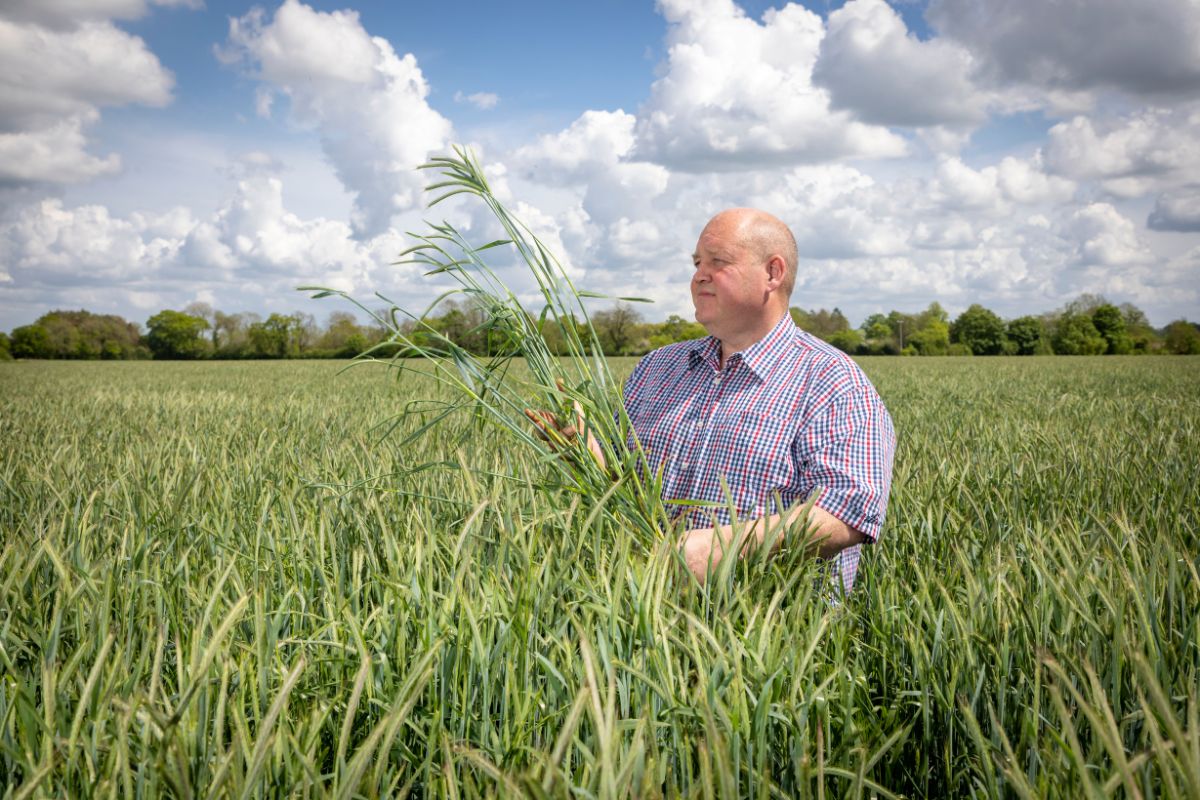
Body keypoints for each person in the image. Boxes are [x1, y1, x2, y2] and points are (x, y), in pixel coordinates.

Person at [533, 208, 895, 593]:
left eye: (717, 262)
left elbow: (848, 514)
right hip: (640, 615)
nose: (699, 275)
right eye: (697, 263)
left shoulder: (833, 382)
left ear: (773, 273)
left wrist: (729, 546)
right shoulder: (657, 368)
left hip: (769, 625)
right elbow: (624, 492)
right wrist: (586, 452)